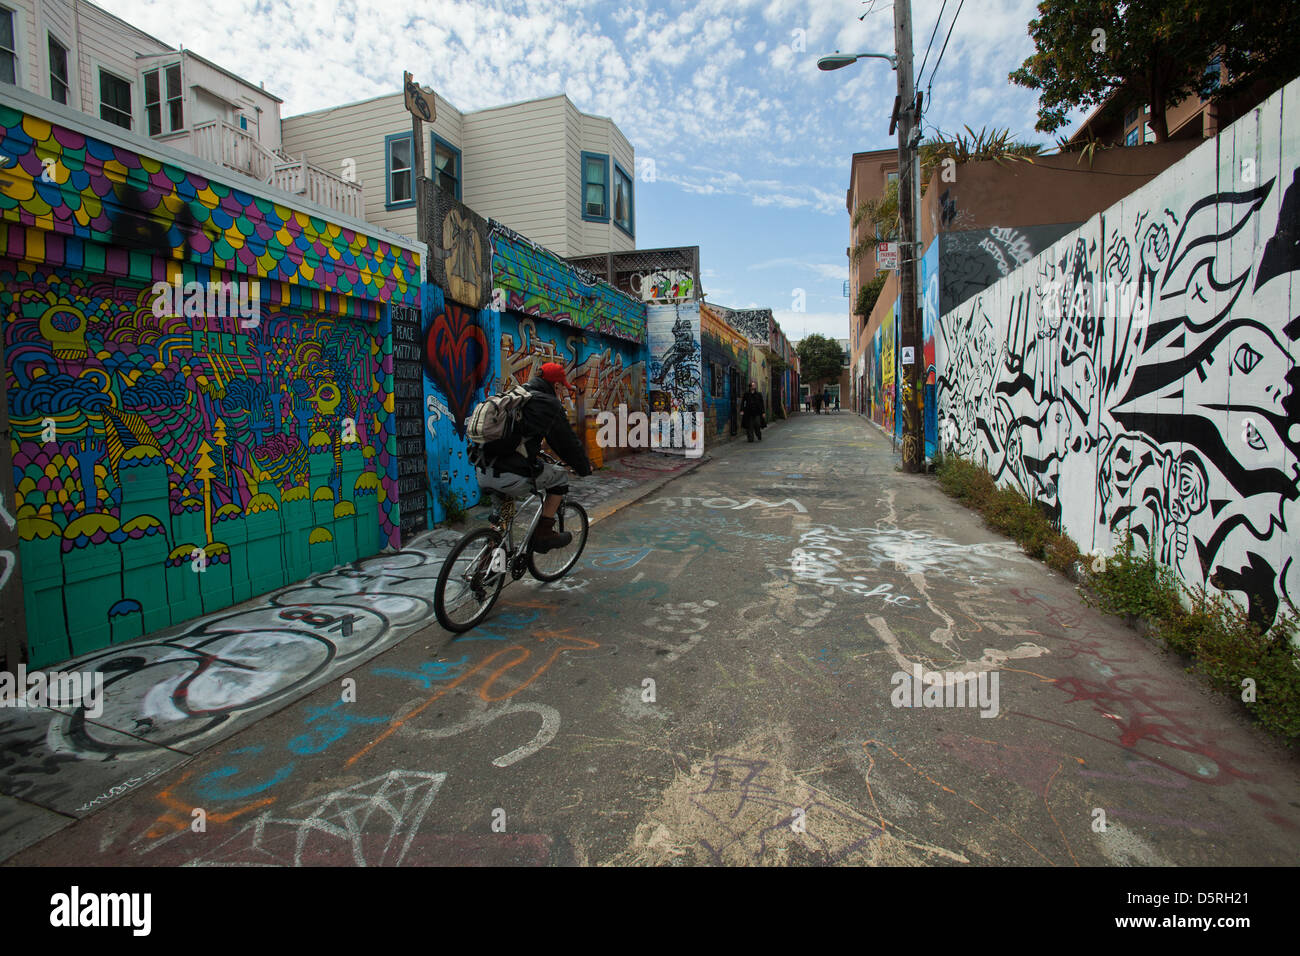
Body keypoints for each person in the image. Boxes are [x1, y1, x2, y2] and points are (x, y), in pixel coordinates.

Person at [472, 362, 592, 552]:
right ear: (556, 385)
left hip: (484, 470)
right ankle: (543, 534)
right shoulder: (547, 403)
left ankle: (490, 565)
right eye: (562, 387)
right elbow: (566, 443)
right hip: (511, 475)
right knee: (559, 478)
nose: (563, 392)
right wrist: (584, 468)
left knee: (502, 520)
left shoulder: (517, 394)